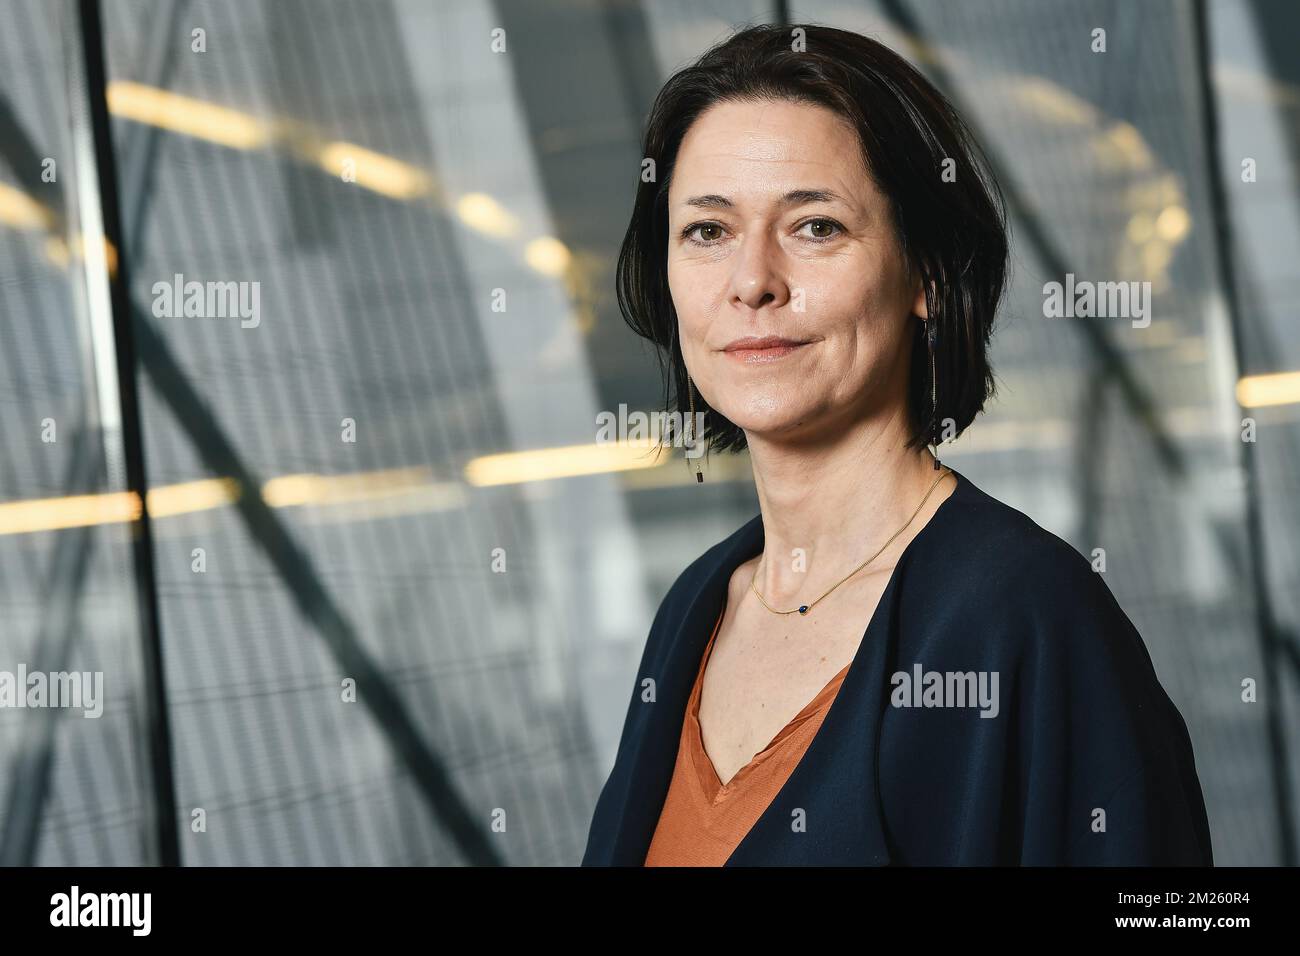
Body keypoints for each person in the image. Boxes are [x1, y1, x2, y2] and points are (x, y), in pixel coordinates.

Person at [582, 22, 1212, 866]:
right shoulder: (697, 608)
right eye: (707, 231)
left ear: (926, 275)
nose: (752, 283)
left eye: (815, 227)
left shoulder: (1025, 615)